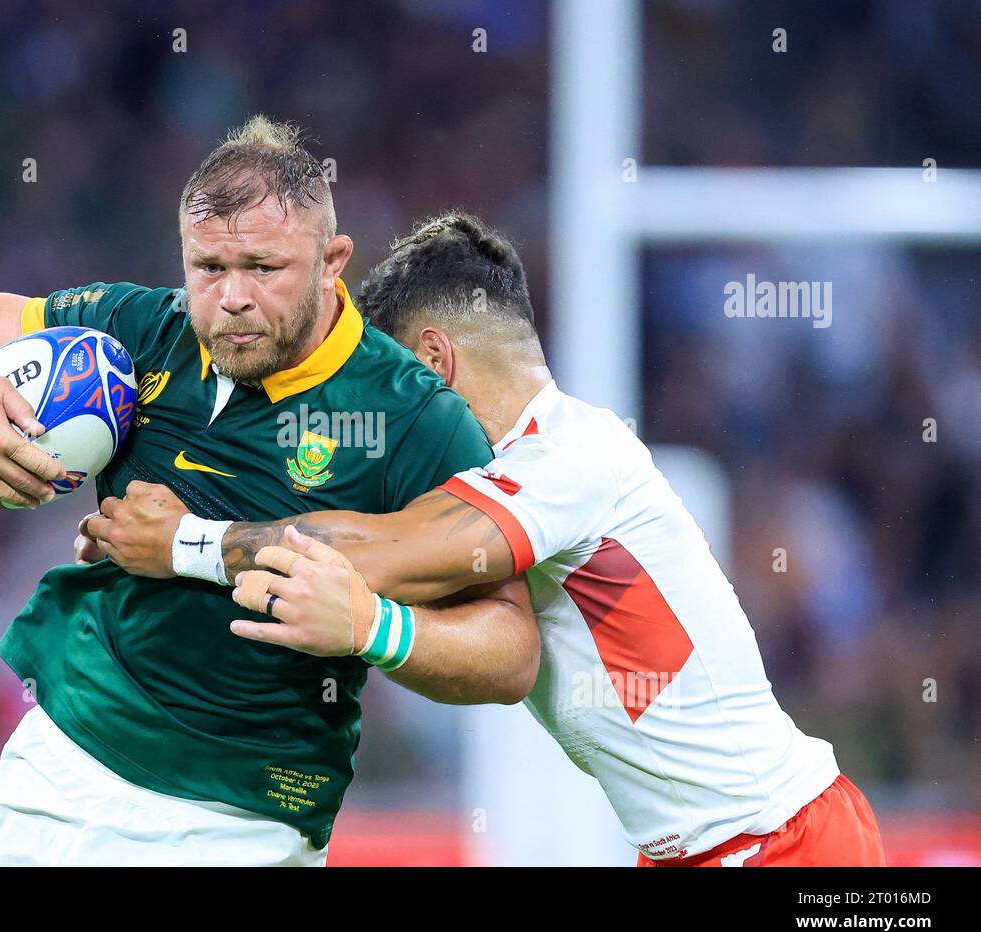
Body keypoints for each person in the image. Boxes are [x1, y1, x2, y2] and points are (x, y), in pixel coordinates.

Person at [85, 212, 886, 866]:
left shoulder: (567, 457)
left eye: (394, 379)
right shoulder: (537, 467)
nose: (391, 414)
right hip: (698, 848)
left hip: (783, 841)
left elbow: (383, 551)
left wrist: (186, 542)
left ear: (434, 360)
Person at [0, 119, 538, 866]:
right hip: (56, 772)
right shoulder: (138, 331)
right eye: (209, 267)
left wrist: (374, 626)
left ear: (332, 262)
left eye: (263, 267)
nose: (232, 299)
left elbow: (510, 651)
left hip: (242, 819)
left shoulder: (412, 417)